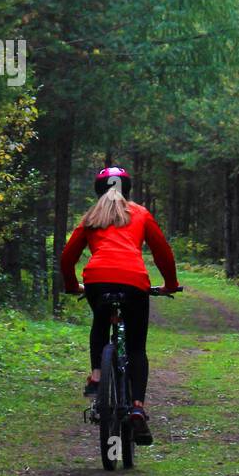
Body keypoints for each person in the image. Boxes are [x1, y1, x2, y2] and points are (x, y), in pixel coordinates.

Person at [59, 165, 180, 445]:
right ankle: (137, 405)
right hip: (134, 281)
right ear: (127, 188)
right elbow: (163, 252)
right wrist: (170, 283)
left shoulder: (90, 217)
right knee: (136, 347)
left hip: (97, 281)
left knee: (100, 323)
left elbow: (68, 257)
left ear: (99, 190)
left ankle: (97, 375)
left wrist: (70, 285)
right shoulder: (140, 213)